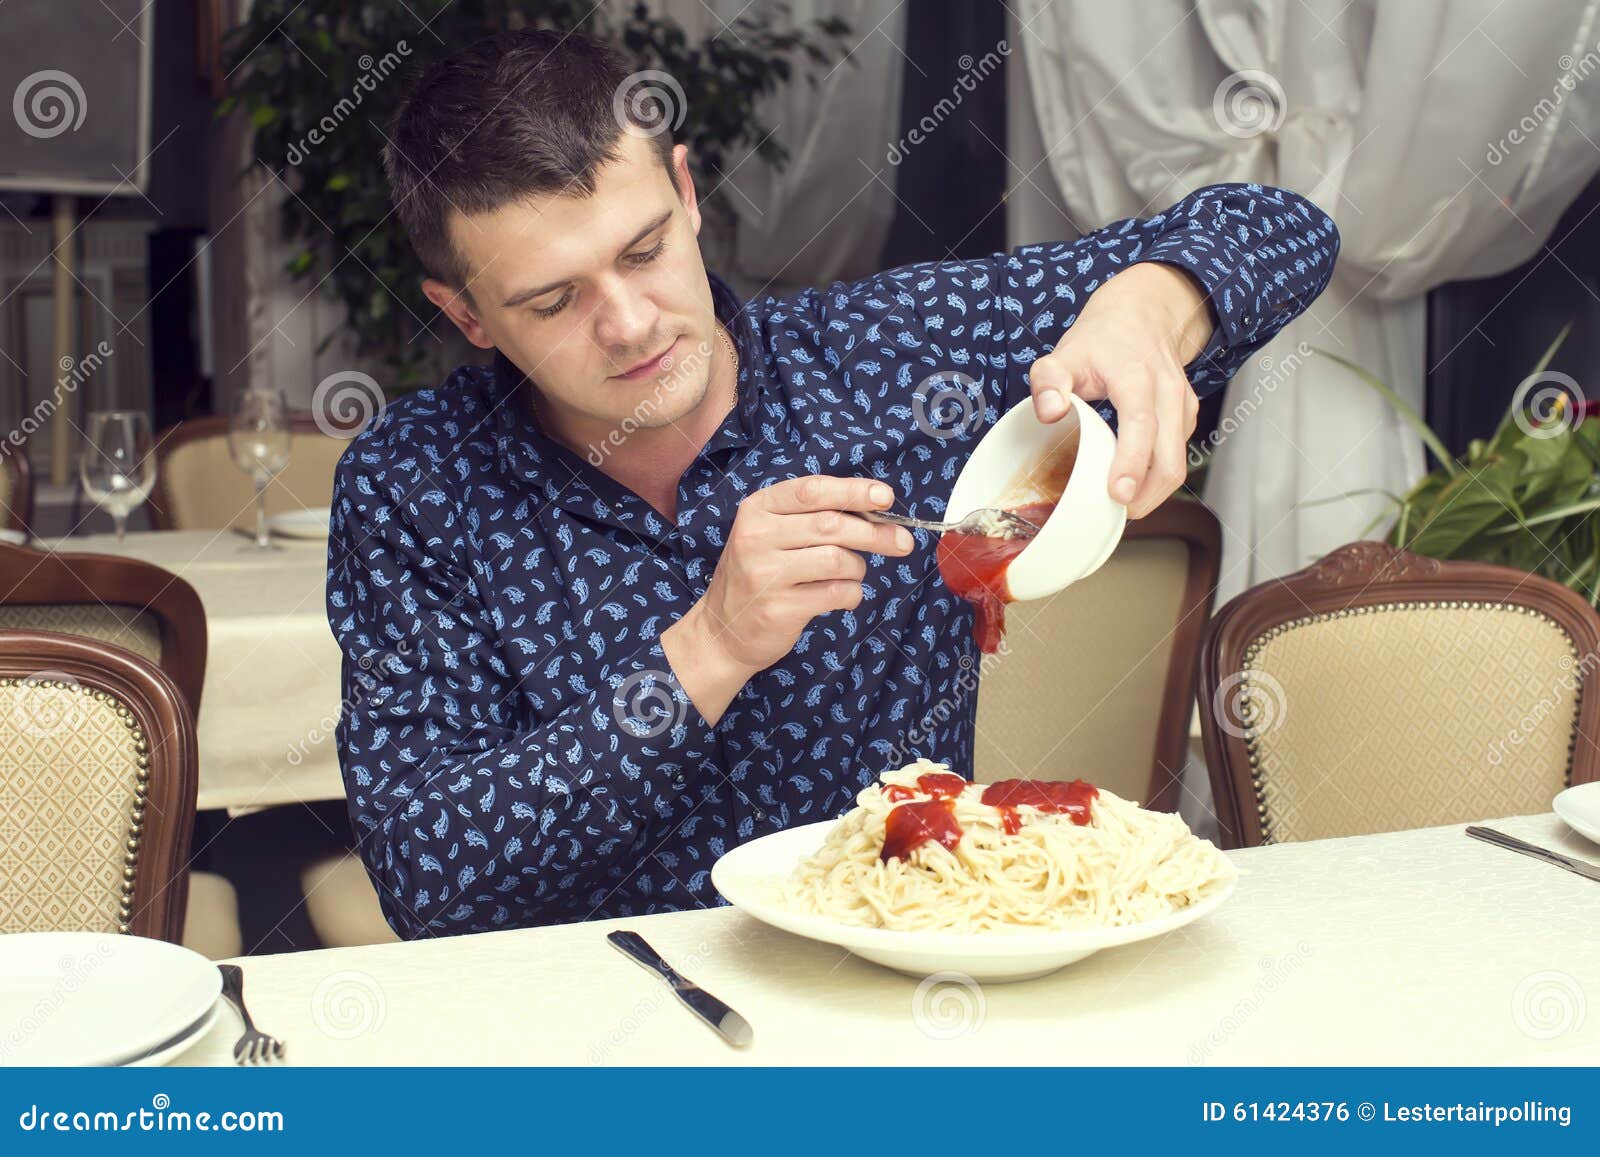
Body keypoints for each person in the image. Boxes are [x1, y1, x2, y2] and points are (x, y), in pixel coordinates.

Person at [327, 28, 1338, 937]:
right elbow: (430, 877)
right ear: (465, 315)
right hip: (593, 1033)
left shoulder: (892, 355)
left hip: (905, 987)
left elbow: (1282, 226)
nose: (628, 321)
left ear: (686, 193)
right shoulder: (414, 483)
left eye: (644, 250)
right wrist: (707, 648)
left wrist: (1151, 305)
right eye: (553, 300)